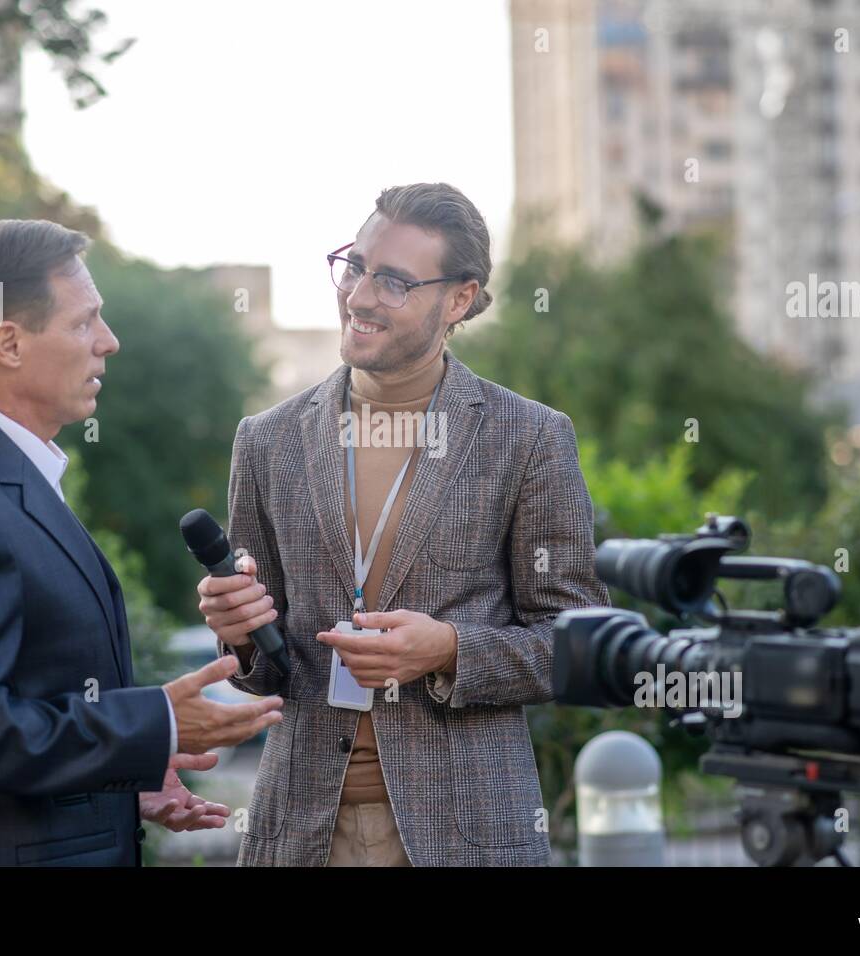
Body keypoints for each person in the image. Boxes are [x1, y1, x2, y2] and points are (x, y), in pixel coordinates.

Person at [197, 184, 607, 866]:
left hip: (467, 835)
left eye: (392, 280)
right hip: (299, 835)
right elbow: (265, 673)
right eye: (354, 266)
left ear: (458, 299)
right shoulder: (266, 441)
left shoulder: (529, 438)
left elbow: (580, 643)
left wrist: (449, 650)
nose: (358, 296)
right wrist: (238, 635)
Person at [0, 219, 282, 866]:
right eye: (84, 322)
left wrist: (125, 778)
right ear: (8, 343)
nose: (109, 342)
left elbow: (28, 704)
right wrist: (160, 724)